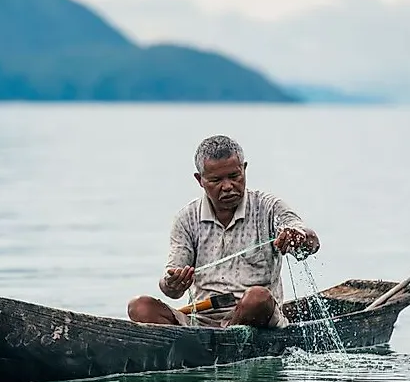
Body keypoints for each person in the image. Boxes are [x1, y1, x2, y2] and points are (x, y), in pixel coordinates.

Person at [127, 135, 320, 329]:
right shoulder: (186, 219)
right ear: (200, 180)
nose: (227, 187)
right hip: (200, 322)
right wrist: (172, 283)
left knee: (257, 298)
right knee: (139, 307)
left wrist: (299, 237)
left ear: (243, 169)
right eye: (216, 180)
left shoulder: (268, 207)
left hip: (255, 316)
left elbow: (309, 240)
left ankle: (221, 341)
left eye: (234, 177)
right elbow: (172, 288)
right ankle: (209, 341)